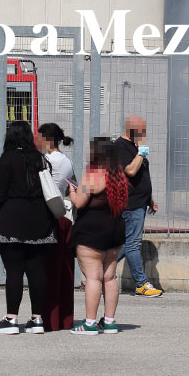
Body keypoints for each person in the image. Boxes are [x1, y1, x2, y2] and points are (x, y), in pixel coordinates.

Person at [0, 120, 56, 335]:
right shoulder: (40, 159)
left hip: (13, 219)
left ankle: (11, 319)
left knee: (14, 271)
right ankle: (37, 319)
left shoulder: (6, 160)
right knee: (36, 271)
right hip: (40, 219)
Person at [69, 138, 128, 334]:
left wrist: (72, 192)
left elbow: (79, 203)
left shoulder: (91, 175)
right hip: (115, 230)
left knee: (93, 278)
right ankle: (109, 321)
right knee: (110, 278)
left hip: (92, 232)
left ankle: (90, 323)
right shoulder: (119, 176)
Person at [116, 116, 163, 297]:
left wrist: (150, 199)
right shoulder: (120, 147)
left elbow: (141, 175)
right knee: (133, 244)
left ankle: (102, 268)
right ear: (132, 131)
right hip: (131, 203)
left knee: (128, 243)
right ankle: (141, 284)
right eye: (142, 131)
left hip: (140, 202)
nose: (145, 135)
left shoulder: (135, 147)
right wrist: (141, 152)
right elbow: (130, 171)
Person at [37, 122, 77, 332]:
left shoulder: (46, 160)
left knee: (48, 271)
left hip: (49, 217)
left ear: (48, 140)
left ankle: (48, 319)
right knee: (65, 269)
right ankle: (65, 319)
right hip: (67, 216)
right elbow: (72, 187)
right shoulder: (68, 161)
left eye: (40, 138)